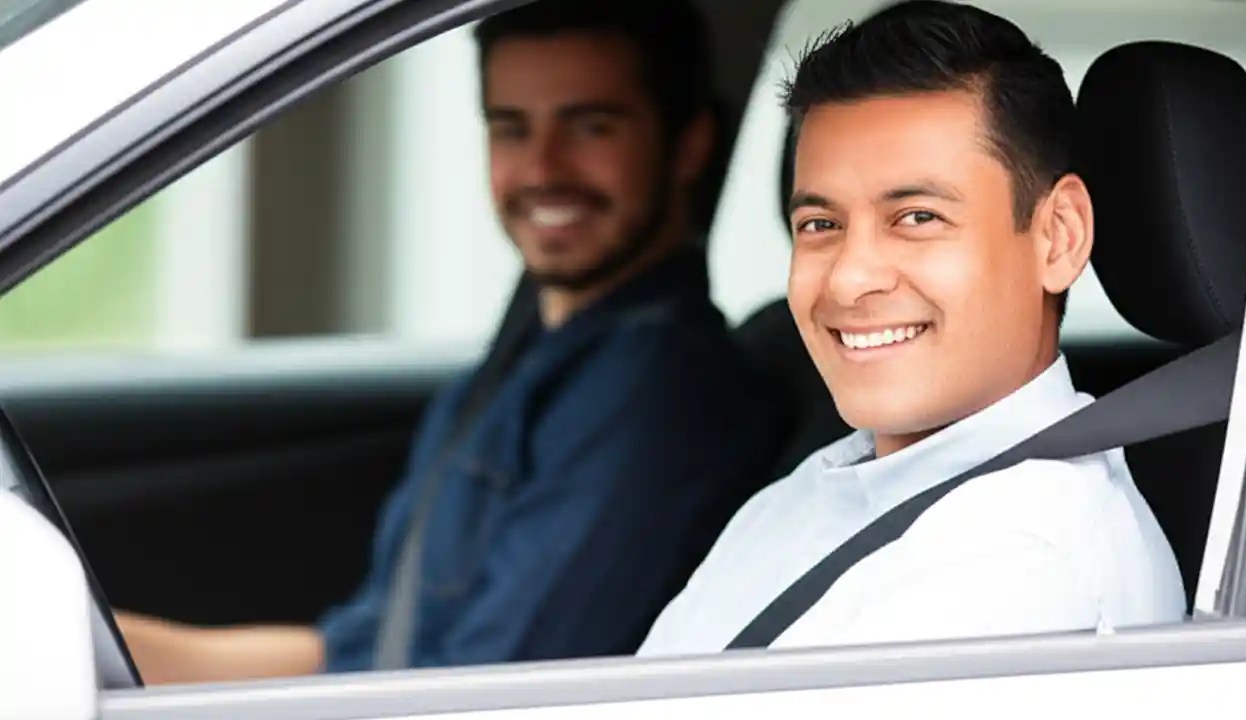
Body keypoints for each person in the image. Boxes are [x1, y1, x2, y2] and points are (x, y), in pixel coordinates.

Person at [116, 0, 778, 682]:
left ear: (690, 144)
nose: (543, 168)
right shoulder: (533, 357)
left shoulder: (655, 391)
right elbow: (367, 648)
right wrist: (102, 647)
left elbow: (485, 691)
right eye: (511, 129)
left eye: (591, 127)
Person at [637, 0, 1185, 656]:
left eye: (918, 217)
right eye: (821, 225)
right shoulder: (817, 488)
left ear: (1058, 236)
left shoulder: (1021, 566)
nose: (847, 279)